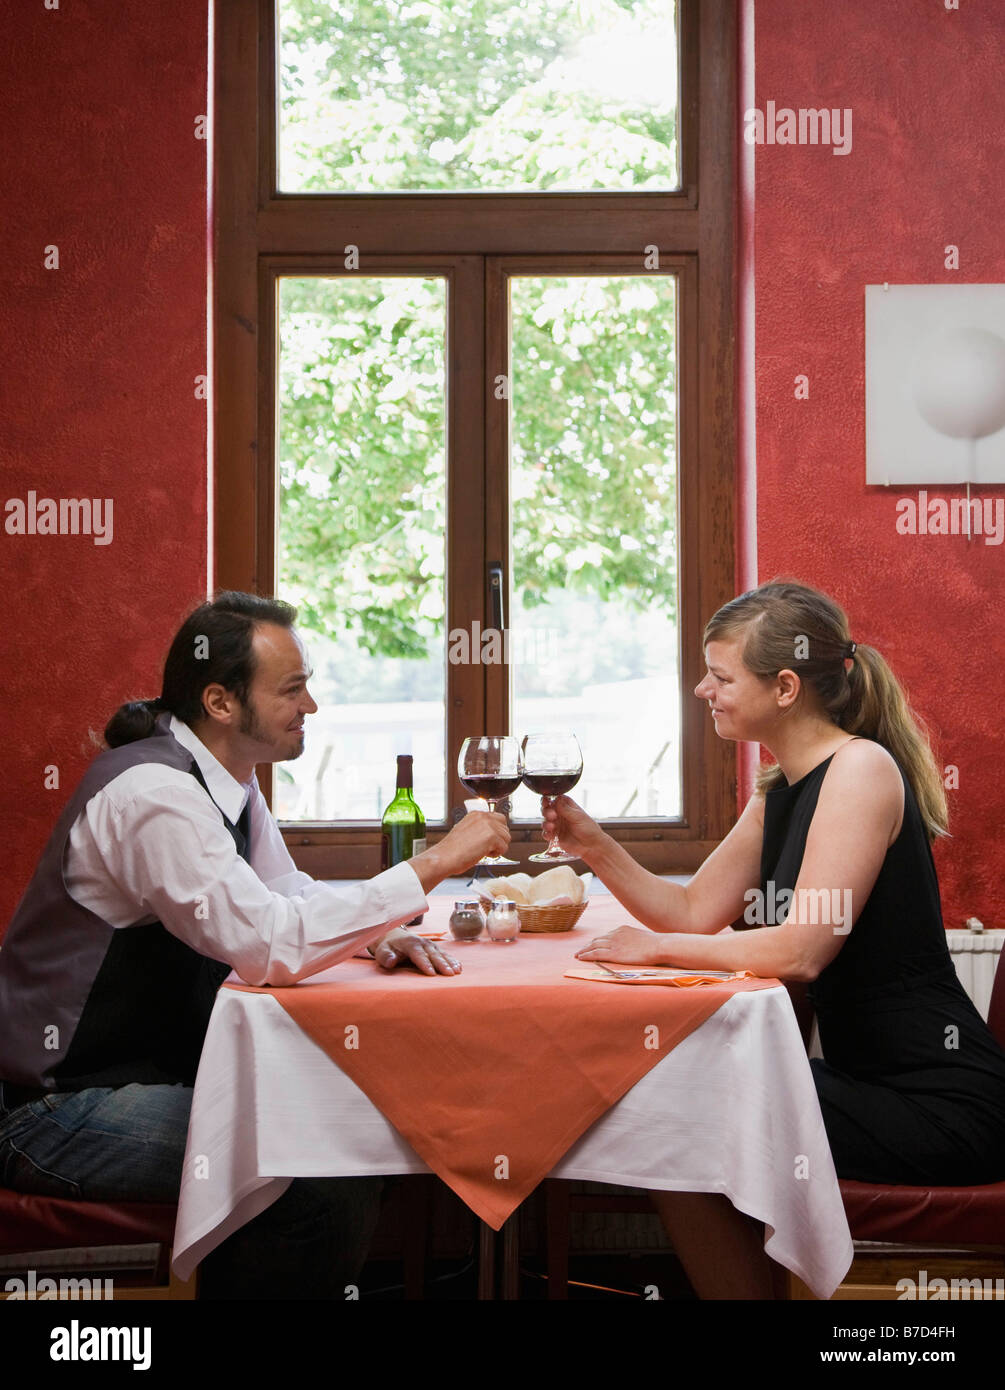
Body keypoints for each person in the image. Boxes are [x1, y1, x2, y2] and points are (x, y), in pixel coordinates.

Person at [0, 591, 509, 1298]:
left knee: (361, 1125)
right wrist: (432, 864)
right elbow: (267, 943)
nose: (312, 707)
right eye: (293, 689)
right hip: (57, 1112)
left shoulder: (226, 783)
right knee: (321, 1157)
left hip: (147, 1083)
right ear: (220, 701)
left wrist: (376, 935)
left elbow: (287, 897)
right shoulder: (154, 796)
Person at [542, 578, 1005, 1299]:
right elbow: (694, 910)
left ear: (784, 686)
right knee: (674, 1101)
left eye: (720, 676)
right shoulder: (782, 788)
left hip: (940, 1105)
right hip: (865, 1084)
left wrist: (652, 950)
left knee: (675, 1109)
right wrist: (595, 846)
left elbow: (799, 950)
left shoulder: (859, 770)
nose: (703, 690)